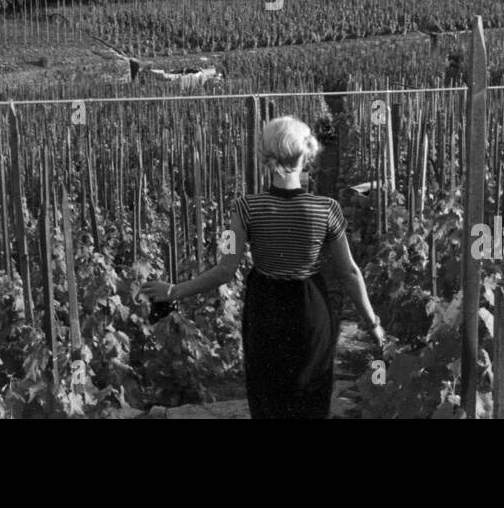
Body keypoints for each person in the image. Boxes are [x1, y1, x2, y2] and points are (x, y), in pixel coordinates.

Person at [142, 115, 385, 418]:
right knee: (310, 397)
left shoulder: (245, 209)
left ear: (266, 158)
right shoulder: (327, 210)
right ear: (306, 155)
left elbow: (225, 269)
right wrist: (372, 323)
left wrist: (174, 290)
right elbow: (348, 272)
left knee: (269, 396)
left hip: (265, 309)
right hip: (312, 309)